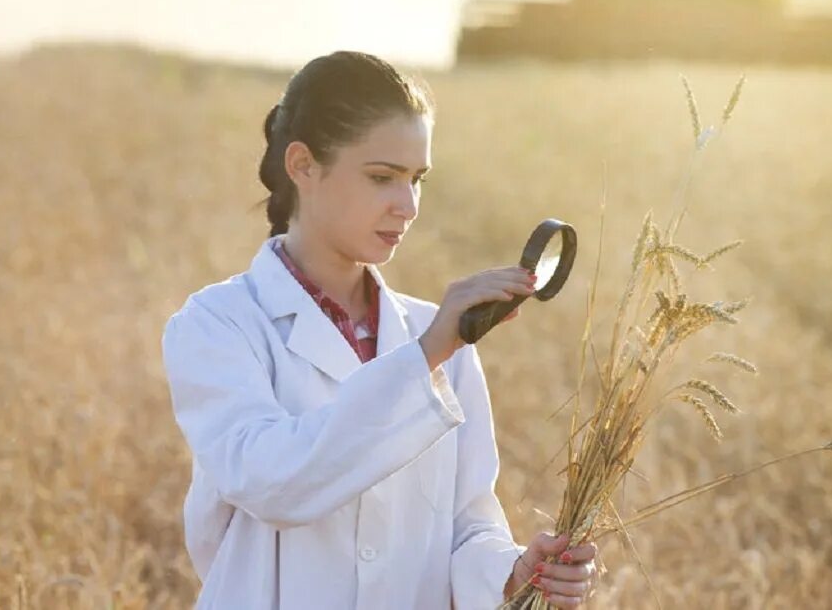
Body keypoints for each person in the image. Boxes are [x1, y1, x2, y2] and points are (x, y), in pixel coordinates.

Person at [161, 51, 599, 608]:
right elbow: (273, 483)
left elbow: (466, 523)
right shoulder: (216, 325)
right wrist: (427, 354)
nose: (408, 204)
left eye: (418, 179)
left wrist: (514, 571)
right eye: (381, 177)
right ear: (302, 165)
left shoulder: (439, 338)